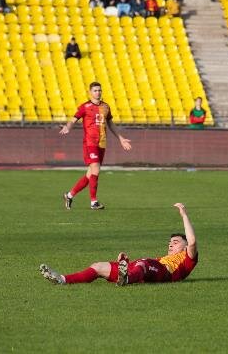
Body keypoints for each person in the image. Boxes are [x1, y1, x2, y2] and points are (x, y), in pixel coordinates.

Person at [39, 203, 198, 286]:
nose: (170, 245)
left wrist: (184, 215)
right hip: (145, 268)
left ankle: (127, 278)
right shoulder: (162, 259)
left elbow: (192, 241)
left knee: (145, 263)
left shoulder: (187, 259)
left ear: (185, 247)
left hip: (160, 273)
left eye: (175, 242)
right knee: (98, 266)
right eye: (170, 243)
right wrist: (125, 263)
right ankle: (62, 279)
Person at [59, 82, 132, 210]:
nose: (98, 92)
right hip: (90, 143)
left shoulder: (106, 107)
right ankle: (94, 202)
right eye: (95, 90)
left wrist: (121, 139)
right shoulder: (85, 107)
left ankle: (69, 195)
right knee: (96, 170)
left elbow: (110, 124)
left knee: (89, 175)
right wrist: (67, 127)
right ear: (90, 92)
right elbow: (73, 120)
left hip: (102, 143)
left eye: (99, 90)